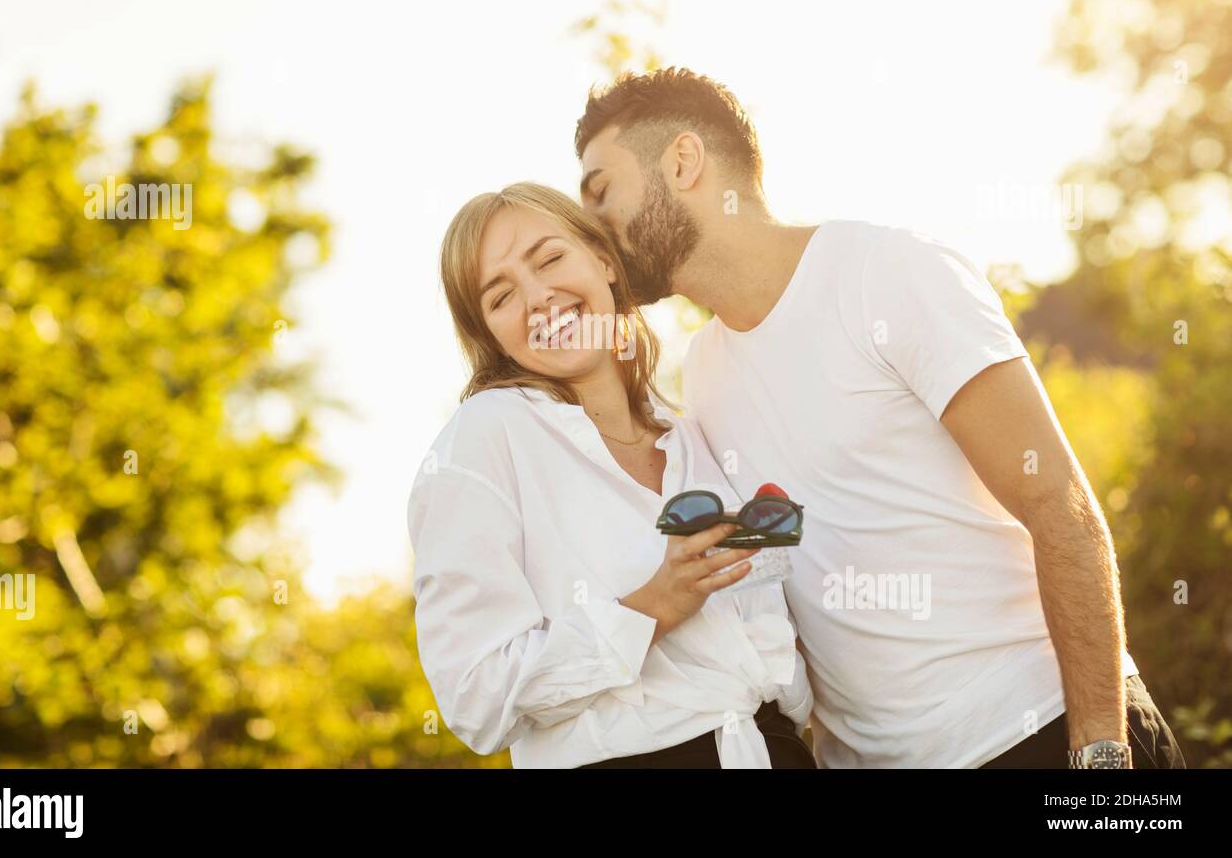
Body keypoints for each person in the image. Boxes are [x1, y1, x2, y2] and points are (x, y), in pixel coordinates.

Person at [573, 67, 1185, 769]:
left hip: (1042, 732)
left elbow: (1058, 502)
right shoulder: (704, 372)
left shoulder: (885, 273)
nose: (591, 232)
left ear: (683, 162)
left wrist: (1101, 752)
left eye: (601, 191)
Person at [407, 181, 815, 768]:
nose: (538, 298)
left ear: (603, 260)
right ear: (490, 333)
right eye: (500, 296)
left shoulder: (693, 436)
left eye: (549, 258)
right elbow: (476, 696)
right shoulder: (487, 436)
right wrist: (651, 608)